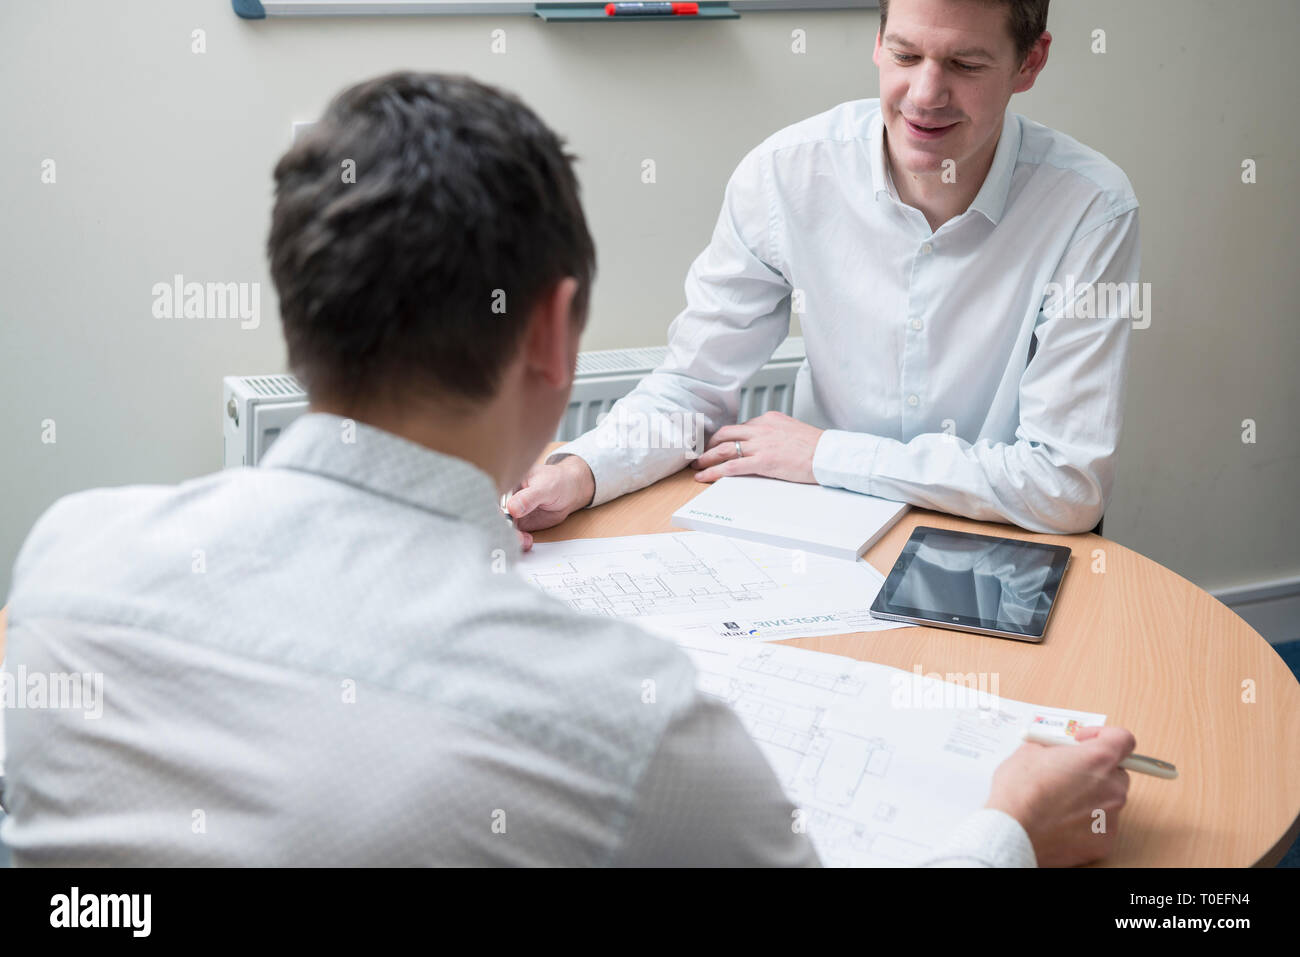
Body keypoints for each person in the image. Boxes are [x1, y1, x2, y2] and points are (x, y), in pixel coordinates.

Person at [1, 71, 1133, 867]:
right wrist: (1011, 834)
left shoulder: (62, 562)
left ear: (294, 298)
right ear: (555, 334)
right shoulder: (638, 731)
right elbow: (693, 389)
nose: (926, 91)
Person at [509, 0, 1140, 542]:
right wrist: (578, 473)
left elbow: (1064, 485)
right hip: (826, 528)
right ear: (877, 42)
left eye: (965, 65)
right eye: (904, 55)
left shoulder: (1090, 208)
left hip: (995, 540)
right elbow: (692, 388)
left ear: (1030, 61)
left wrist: (828, 455)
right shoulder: (787, 174)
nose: (925, 96)